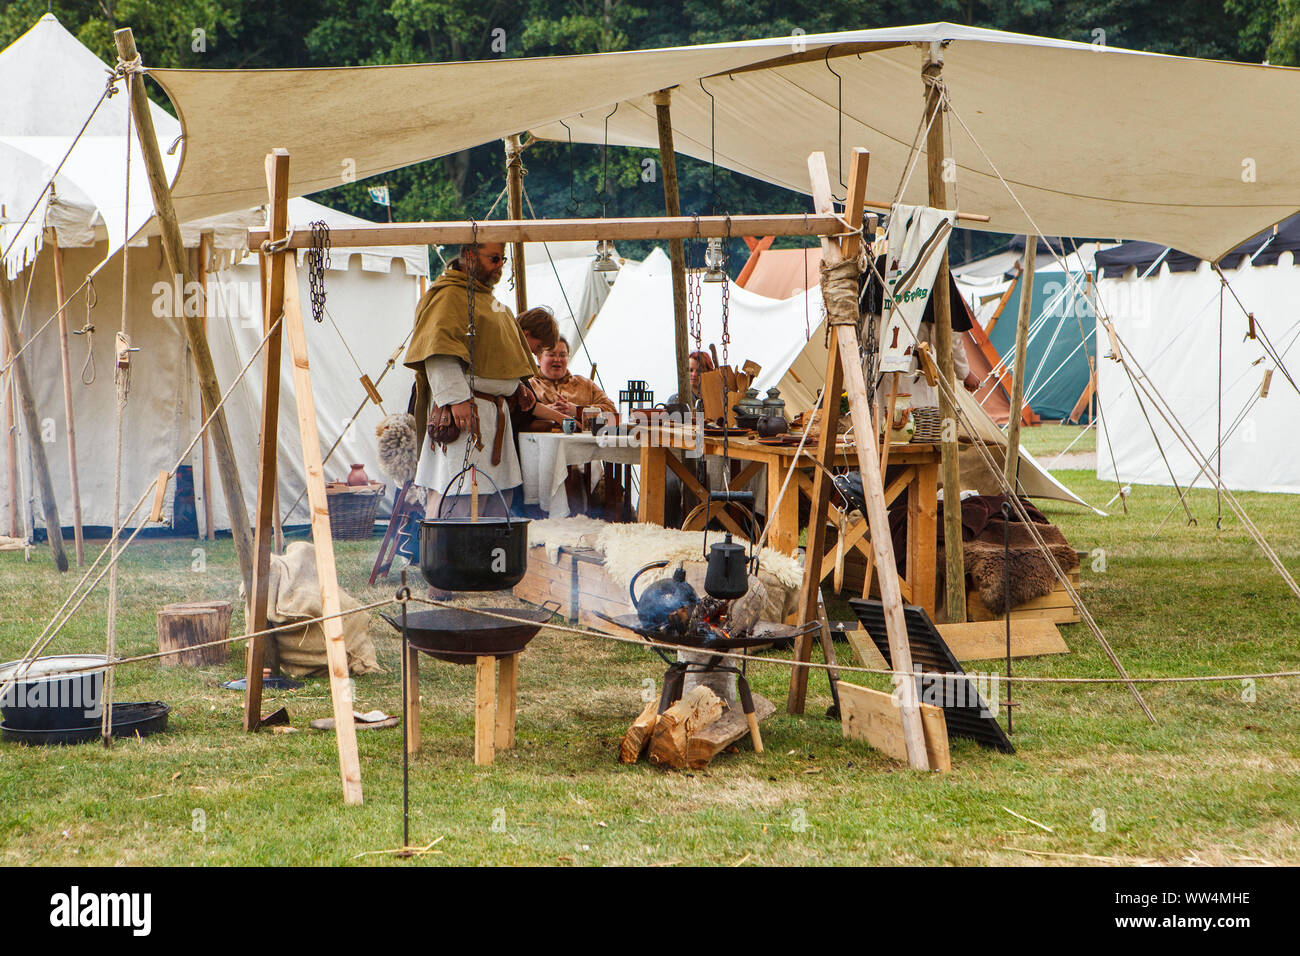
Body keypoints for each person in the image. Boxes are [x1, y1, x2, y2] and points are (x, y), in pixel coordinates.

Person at [404, 241, 538, 517]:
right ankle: (449, 559)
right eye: (493, 258)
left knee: (495, 498)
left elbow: (497, 356)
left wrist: (517, 387)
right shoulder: (449, 297)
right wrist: (456, 400)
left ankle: (486, 560)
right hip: (466, 415)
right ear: (468, 256)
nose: (500, 266)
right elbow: (439, 355)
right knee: (459, 495)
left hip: (494, 415)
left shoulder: (488, 300)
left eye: (502, 259)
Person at [529, 337, 617, 422]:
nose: (557, 359)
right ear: (539, 358)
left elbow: (613, 413)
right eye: (551, 354)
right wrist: (546, 412)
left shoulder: (586, 385)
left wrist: (578, 411)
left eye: (562, 355)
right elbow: (517, 417)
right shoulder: (528, 386)